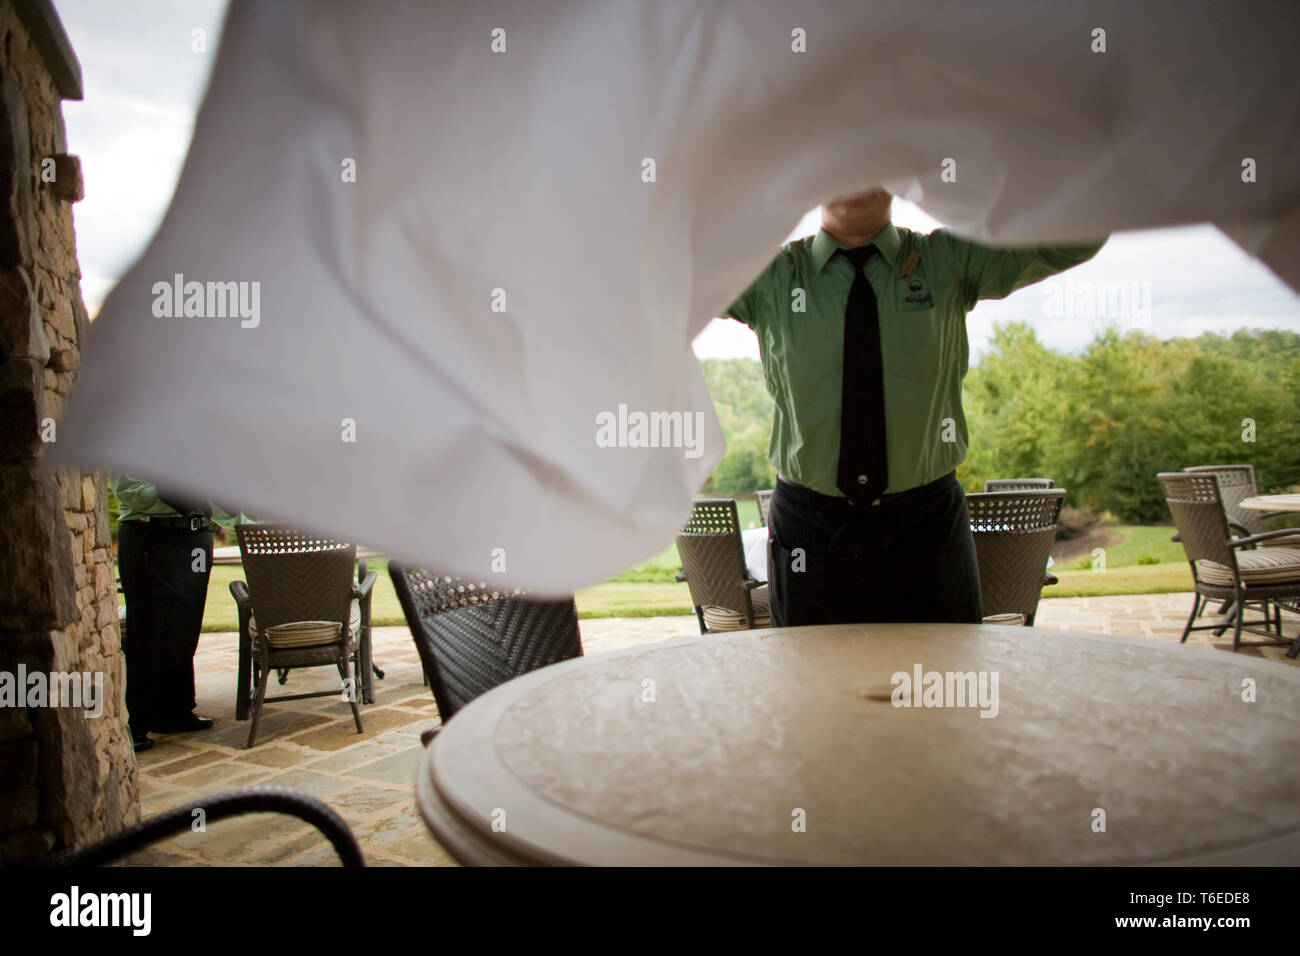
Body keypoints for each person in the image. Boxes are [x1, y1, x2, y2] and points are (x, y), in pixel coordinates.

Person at [724, 188, 1105, 626]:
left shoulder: (946, 261)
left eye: (869, 164)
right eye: (838, 165)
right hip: (810, 534)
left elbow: (1082, 232)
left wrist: (951, 179)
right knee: (811, 689)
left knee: (940, 686)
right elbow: (662, 266)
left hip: (926, 528)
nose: (853, 181)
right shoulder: (770, 276)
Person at [112, 476, 233, 752]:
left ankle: (176, 712)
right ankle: (137, 722)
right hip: (151, 538)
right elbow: (127, 490)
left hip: (195, 540)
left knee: (186, 624)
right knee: (150, 628)